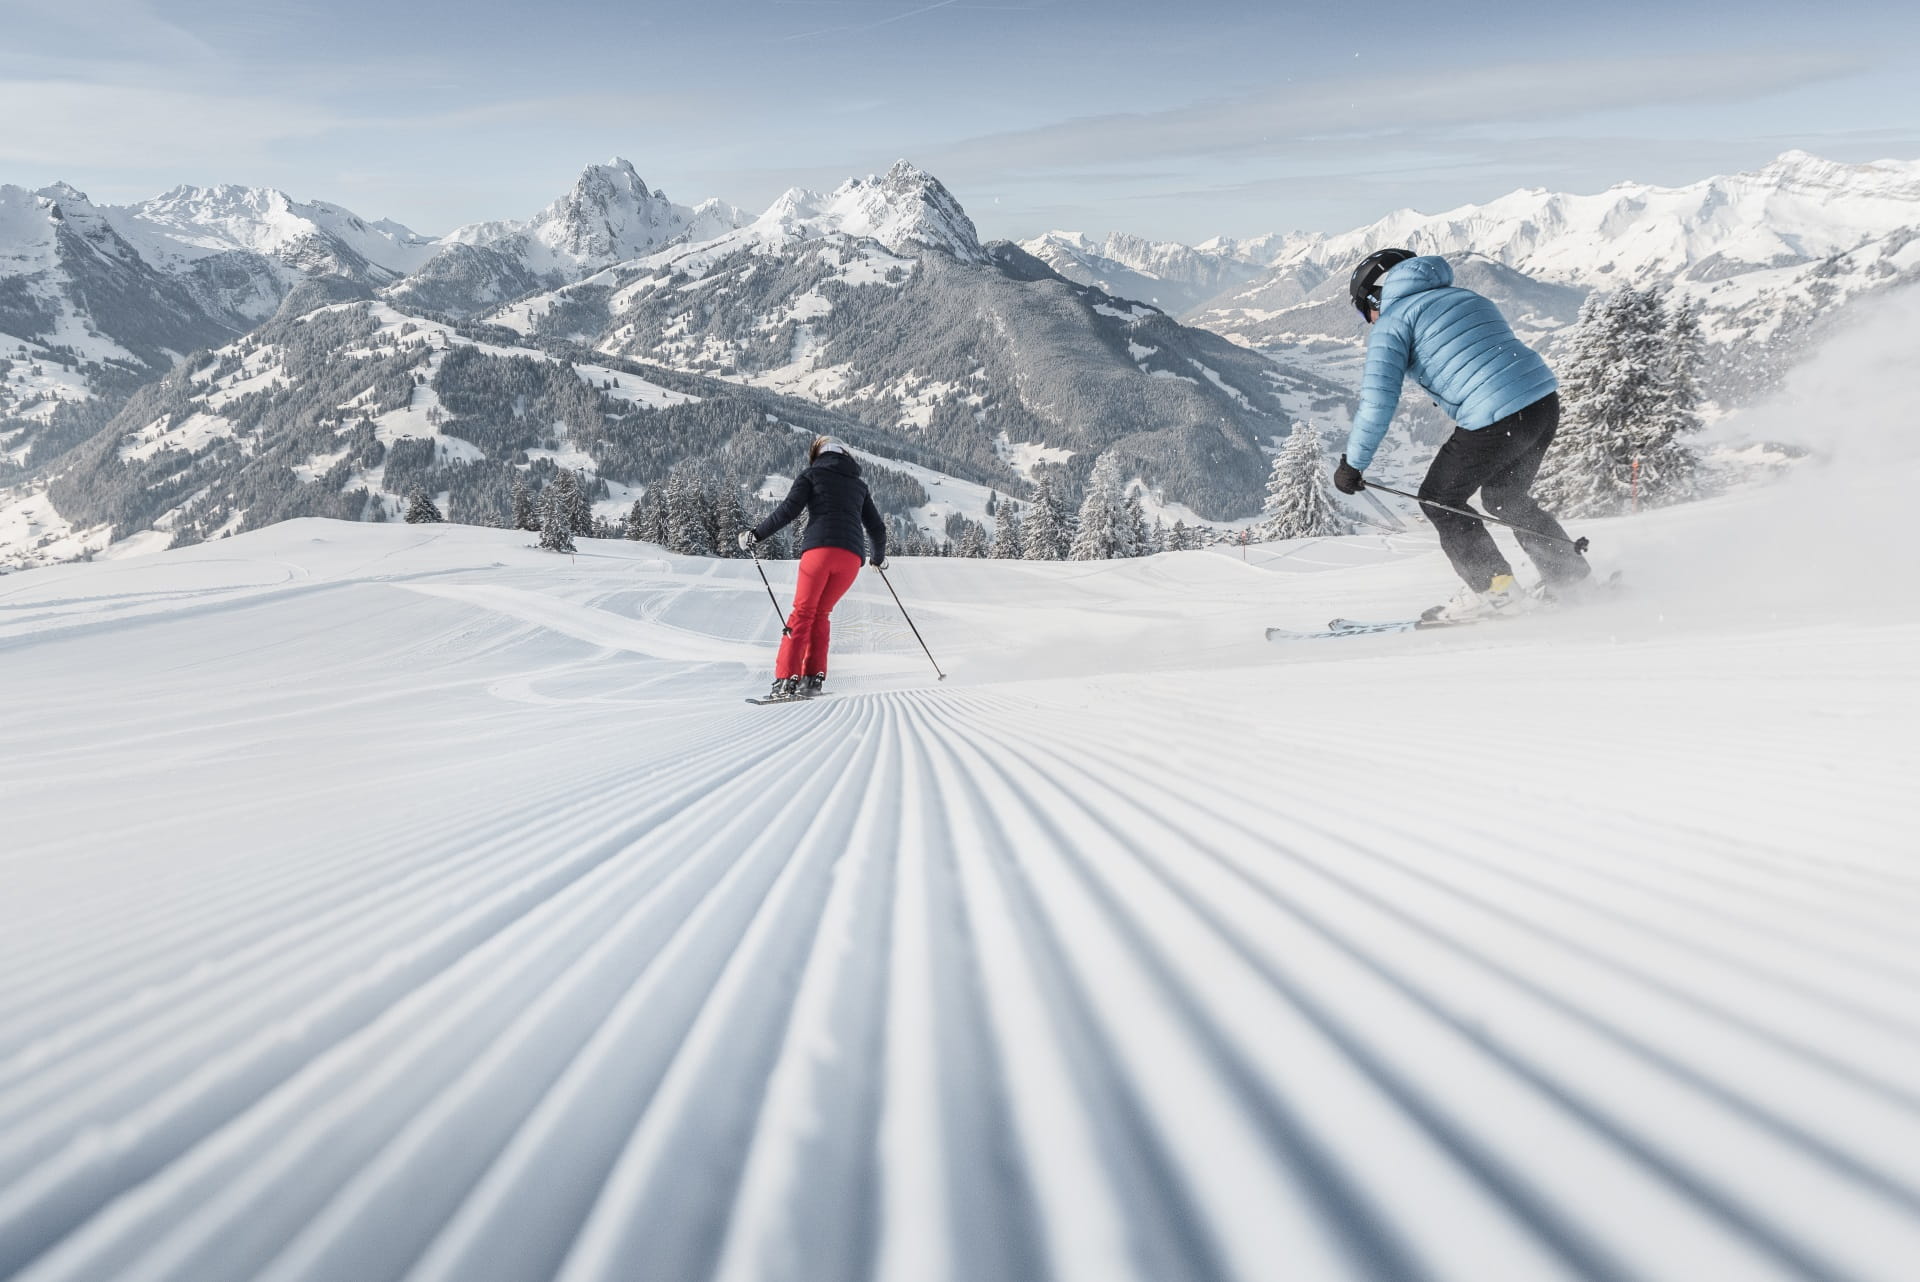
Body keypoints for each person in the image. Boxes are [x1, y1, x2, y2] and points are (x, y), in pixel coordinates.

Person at [1333, 248, 1589, 622]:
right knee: (1505, 497)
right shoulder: (1468, 297)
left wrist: (1353, 464)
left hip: (1496, 418)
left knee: (1439, 499)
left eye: (1363, 309)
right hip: (1542, 404)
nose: (1368, 319)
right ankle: (1571, 580)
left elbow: (1377, 403)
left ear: (1376, 294)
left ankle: (1497, 594)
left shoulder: (1394, 322)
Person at [739, 435, 888, 700]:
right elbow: (876, 527)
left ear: (818, 455)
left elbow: (788, 511)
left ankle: (786, 679)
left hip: (820, 552)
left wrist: (756, 534)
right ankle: (812, 678)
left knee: (803, 613)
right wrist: (877, 558)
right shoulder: (859, 486)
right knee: (821, 614)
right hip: (852, 559)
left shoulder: (811, 476)